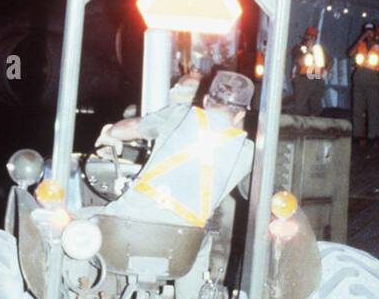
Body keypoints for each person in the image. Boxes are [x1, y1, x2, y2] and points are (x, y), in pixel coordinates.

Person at [95, 69, 255, 229]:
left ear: (206, 100)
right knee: (204, 244)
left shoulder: (180, 114)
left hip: (132, 217)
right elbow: (249, 192)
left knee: (77, 221)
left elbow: (131, 127)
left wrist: (109, 132)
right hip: (185, 241)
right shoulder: (247, 151)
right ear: (241, 115)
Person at [348, 21, 379, 143]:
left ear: (374, 32)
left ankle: (372, 137)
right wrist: (361, 38)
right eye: (367, 31)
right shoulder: (360, 44)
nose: (369, 33)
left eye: (371, 31)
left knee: (373, 109)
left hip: (374, 81)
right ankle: (356, 135)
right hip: (359, 79)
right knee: (357, 109)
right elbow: (350, 53)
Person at [290, 25, 331, 116]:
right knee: (300, 107)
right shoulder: (298, 48)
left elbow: (330, 61)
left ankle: (314, 126)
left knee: (316, 108)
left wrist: (325, 72)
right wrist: (308, 50)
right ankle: (297, 126)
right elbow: (299, 61)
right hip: (302, 79)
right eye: (310, 36)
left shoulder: (319, 50)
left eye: (314, 37)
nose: (312, 39)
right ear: (305, 37)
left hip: (317, 80)